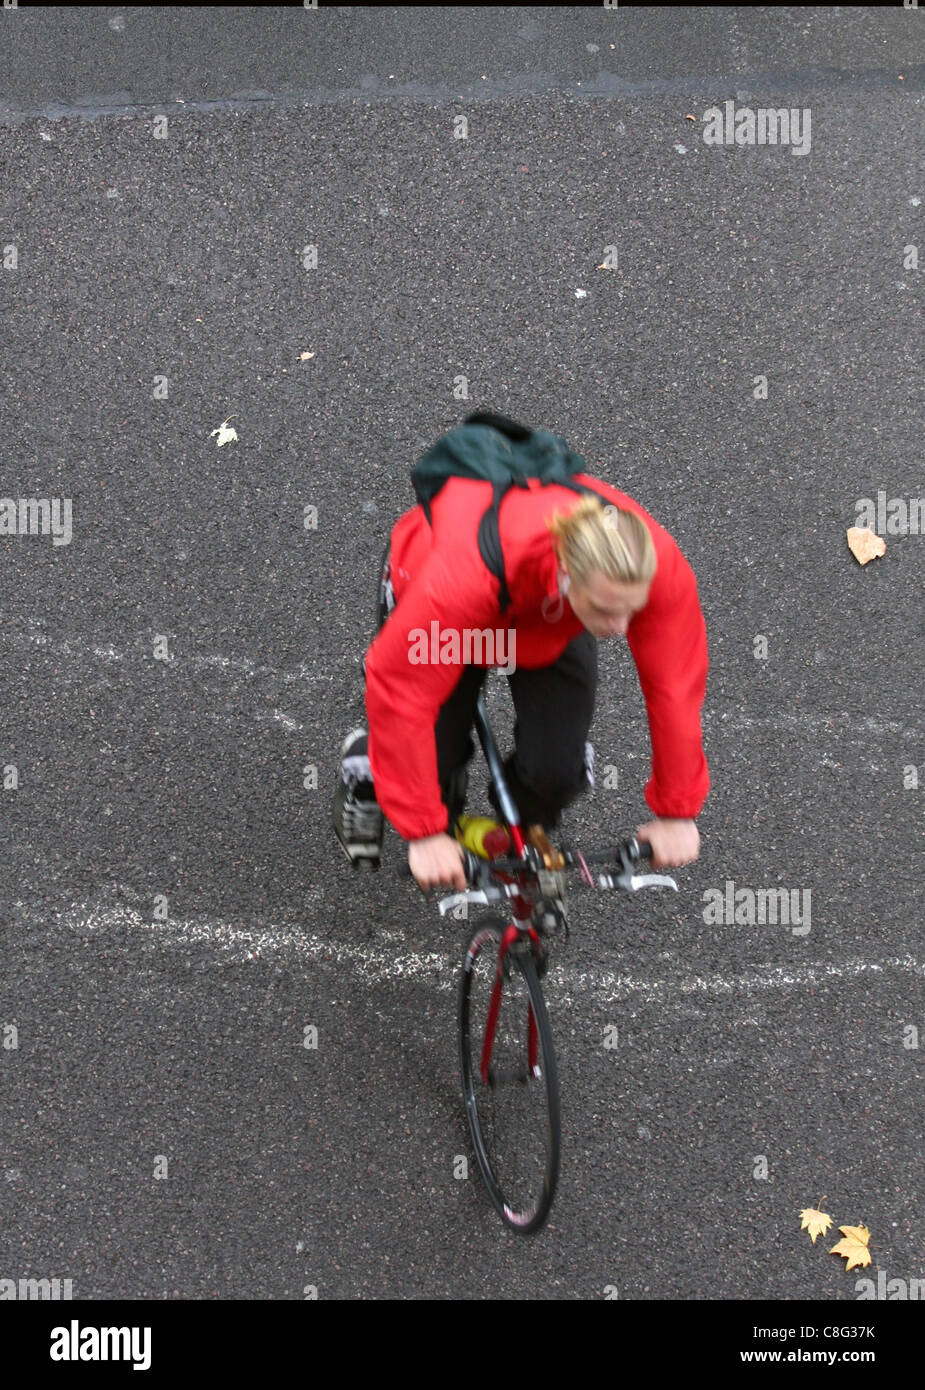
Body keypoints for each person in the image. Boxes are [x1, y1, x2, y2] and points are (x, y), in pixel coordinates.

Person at [333, 448, 709, 894]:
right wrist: (424, 831)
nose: (622, 628)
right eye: (609, 612)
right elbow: (400, 693)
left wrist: (678, 809)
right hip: (450, 605)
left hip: (547, 617)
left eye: (633, 610)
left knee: (557, 770)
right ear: (569, 573)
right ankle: (367, 766)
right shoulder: (461, 579)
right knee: (431, 763)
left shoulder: (645, 568)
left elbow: (675, 688)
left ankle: (516, 832)